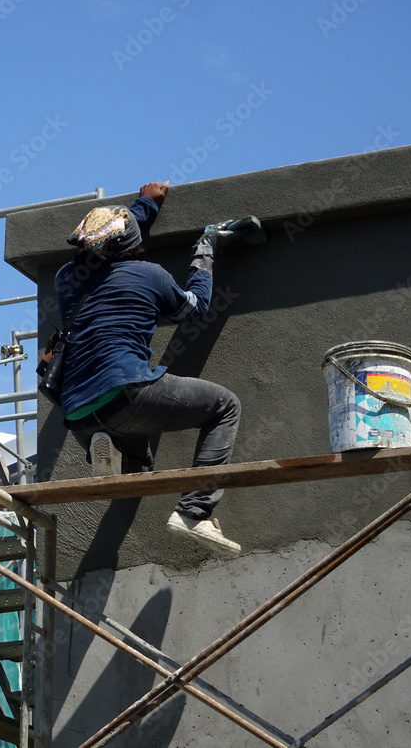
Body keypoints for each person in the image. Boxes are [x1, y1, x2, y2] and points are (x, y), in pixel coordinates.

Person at [54, 181, 259, 557]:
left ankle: (111, 451)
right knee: (225, 406)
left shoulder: (66, 281)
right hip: (128, 392)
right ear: (131, 242)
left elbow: (116, 238)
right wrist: (206, 247)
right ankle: (194, 512)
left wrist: (145, 204)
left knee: (141, 469)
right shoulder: (150, 275)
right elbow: (193, 307)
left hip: (77, 412)